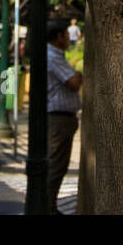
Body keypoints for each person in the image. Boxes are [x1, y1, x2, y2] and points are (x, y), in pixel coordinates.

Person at [47, 17, 82, 213]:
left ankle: (49, 205)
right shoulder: (52, 57)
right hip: (57, 117)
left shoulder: (57, 56)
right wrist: (77, 75)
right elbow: (74, 82)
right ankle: (47, 206)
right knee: (55, 164)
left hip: (64, 118)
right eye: (67, 34)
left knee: (59, 165)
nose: (69, 38)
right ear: (59, 36)